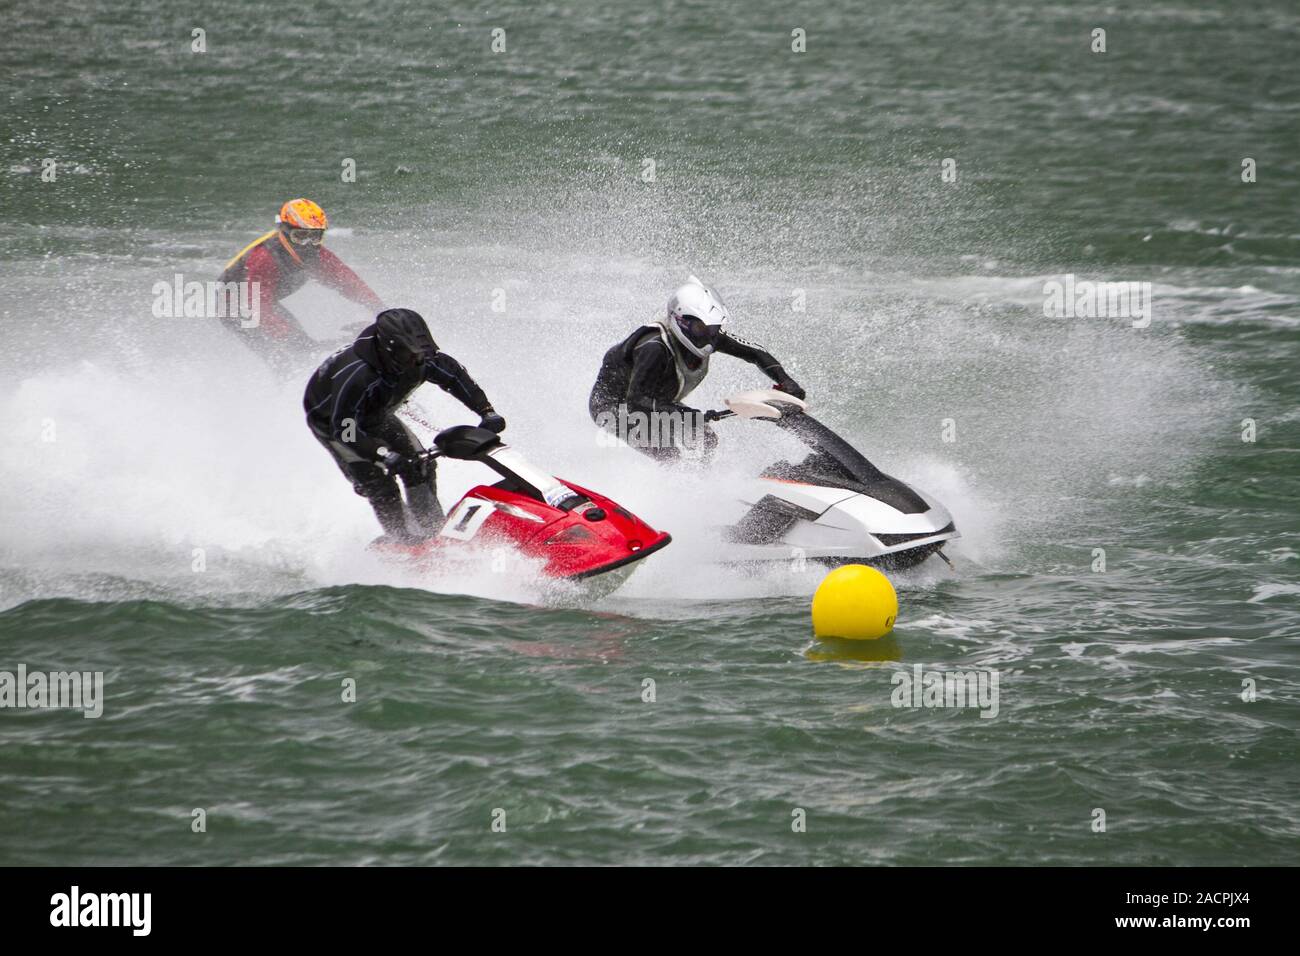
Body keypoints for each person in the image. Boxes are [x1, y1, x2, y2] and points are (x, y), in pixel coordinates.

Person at [304, 308, 506, 541]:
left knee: (419, 466)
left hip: (377, 414)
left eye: (420, 354)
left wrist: (487, 412)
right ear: (389, 350)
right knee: (380, 485)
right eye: (410, 356)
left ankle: (432, 532)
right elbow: (346, 430)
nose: (417, 361)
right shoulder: (359, 375)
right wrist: (383, 455)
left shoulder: (422, 358)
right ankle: (402, 542)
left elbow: (455, 378)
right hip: (335, 426)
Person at [588, 276, 805, 461]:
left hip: (655, 399)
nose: (709, 338)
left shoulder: (706, 335)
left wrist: (784, 379)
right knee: (668, 451)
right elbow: (638, 402)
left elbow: (754, 353)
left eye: (713, 329)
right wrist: (686, 414)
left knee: (706, 440)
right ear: (680, 320)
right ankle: (672, 496)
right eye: (702, 328)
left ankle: (705, 487)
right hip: (614, 406)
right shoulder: (654, 349)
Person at [221, 199, 384, 364]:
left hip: (263, 302)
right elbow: (258, 308)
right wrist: (293, 340)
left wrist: (381, 311)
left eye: (315, 236)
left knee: (302, 346)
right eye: (300, 236)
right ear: (284, 232)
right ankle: (287, 385)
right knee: (285, 355)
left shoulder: (317, 255)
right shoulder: (264, 258)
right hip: (235, 307)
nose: (307, 244)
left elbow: (348, 283)